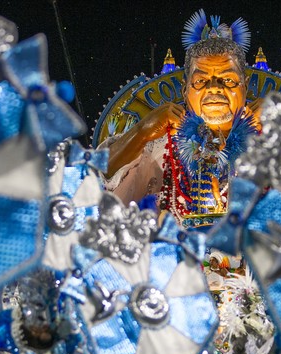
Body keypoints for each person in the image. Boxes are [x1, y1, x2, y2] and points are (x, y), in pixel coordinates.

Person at [104, 10, 260, 228]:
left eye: (227, 80)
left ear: (245, 85)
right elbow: (93, 181)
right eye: (201, 81)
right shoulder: (159, 146)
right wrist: (142, 132)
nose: (214, 88)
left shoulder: (269, 144)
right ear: (186, 89)